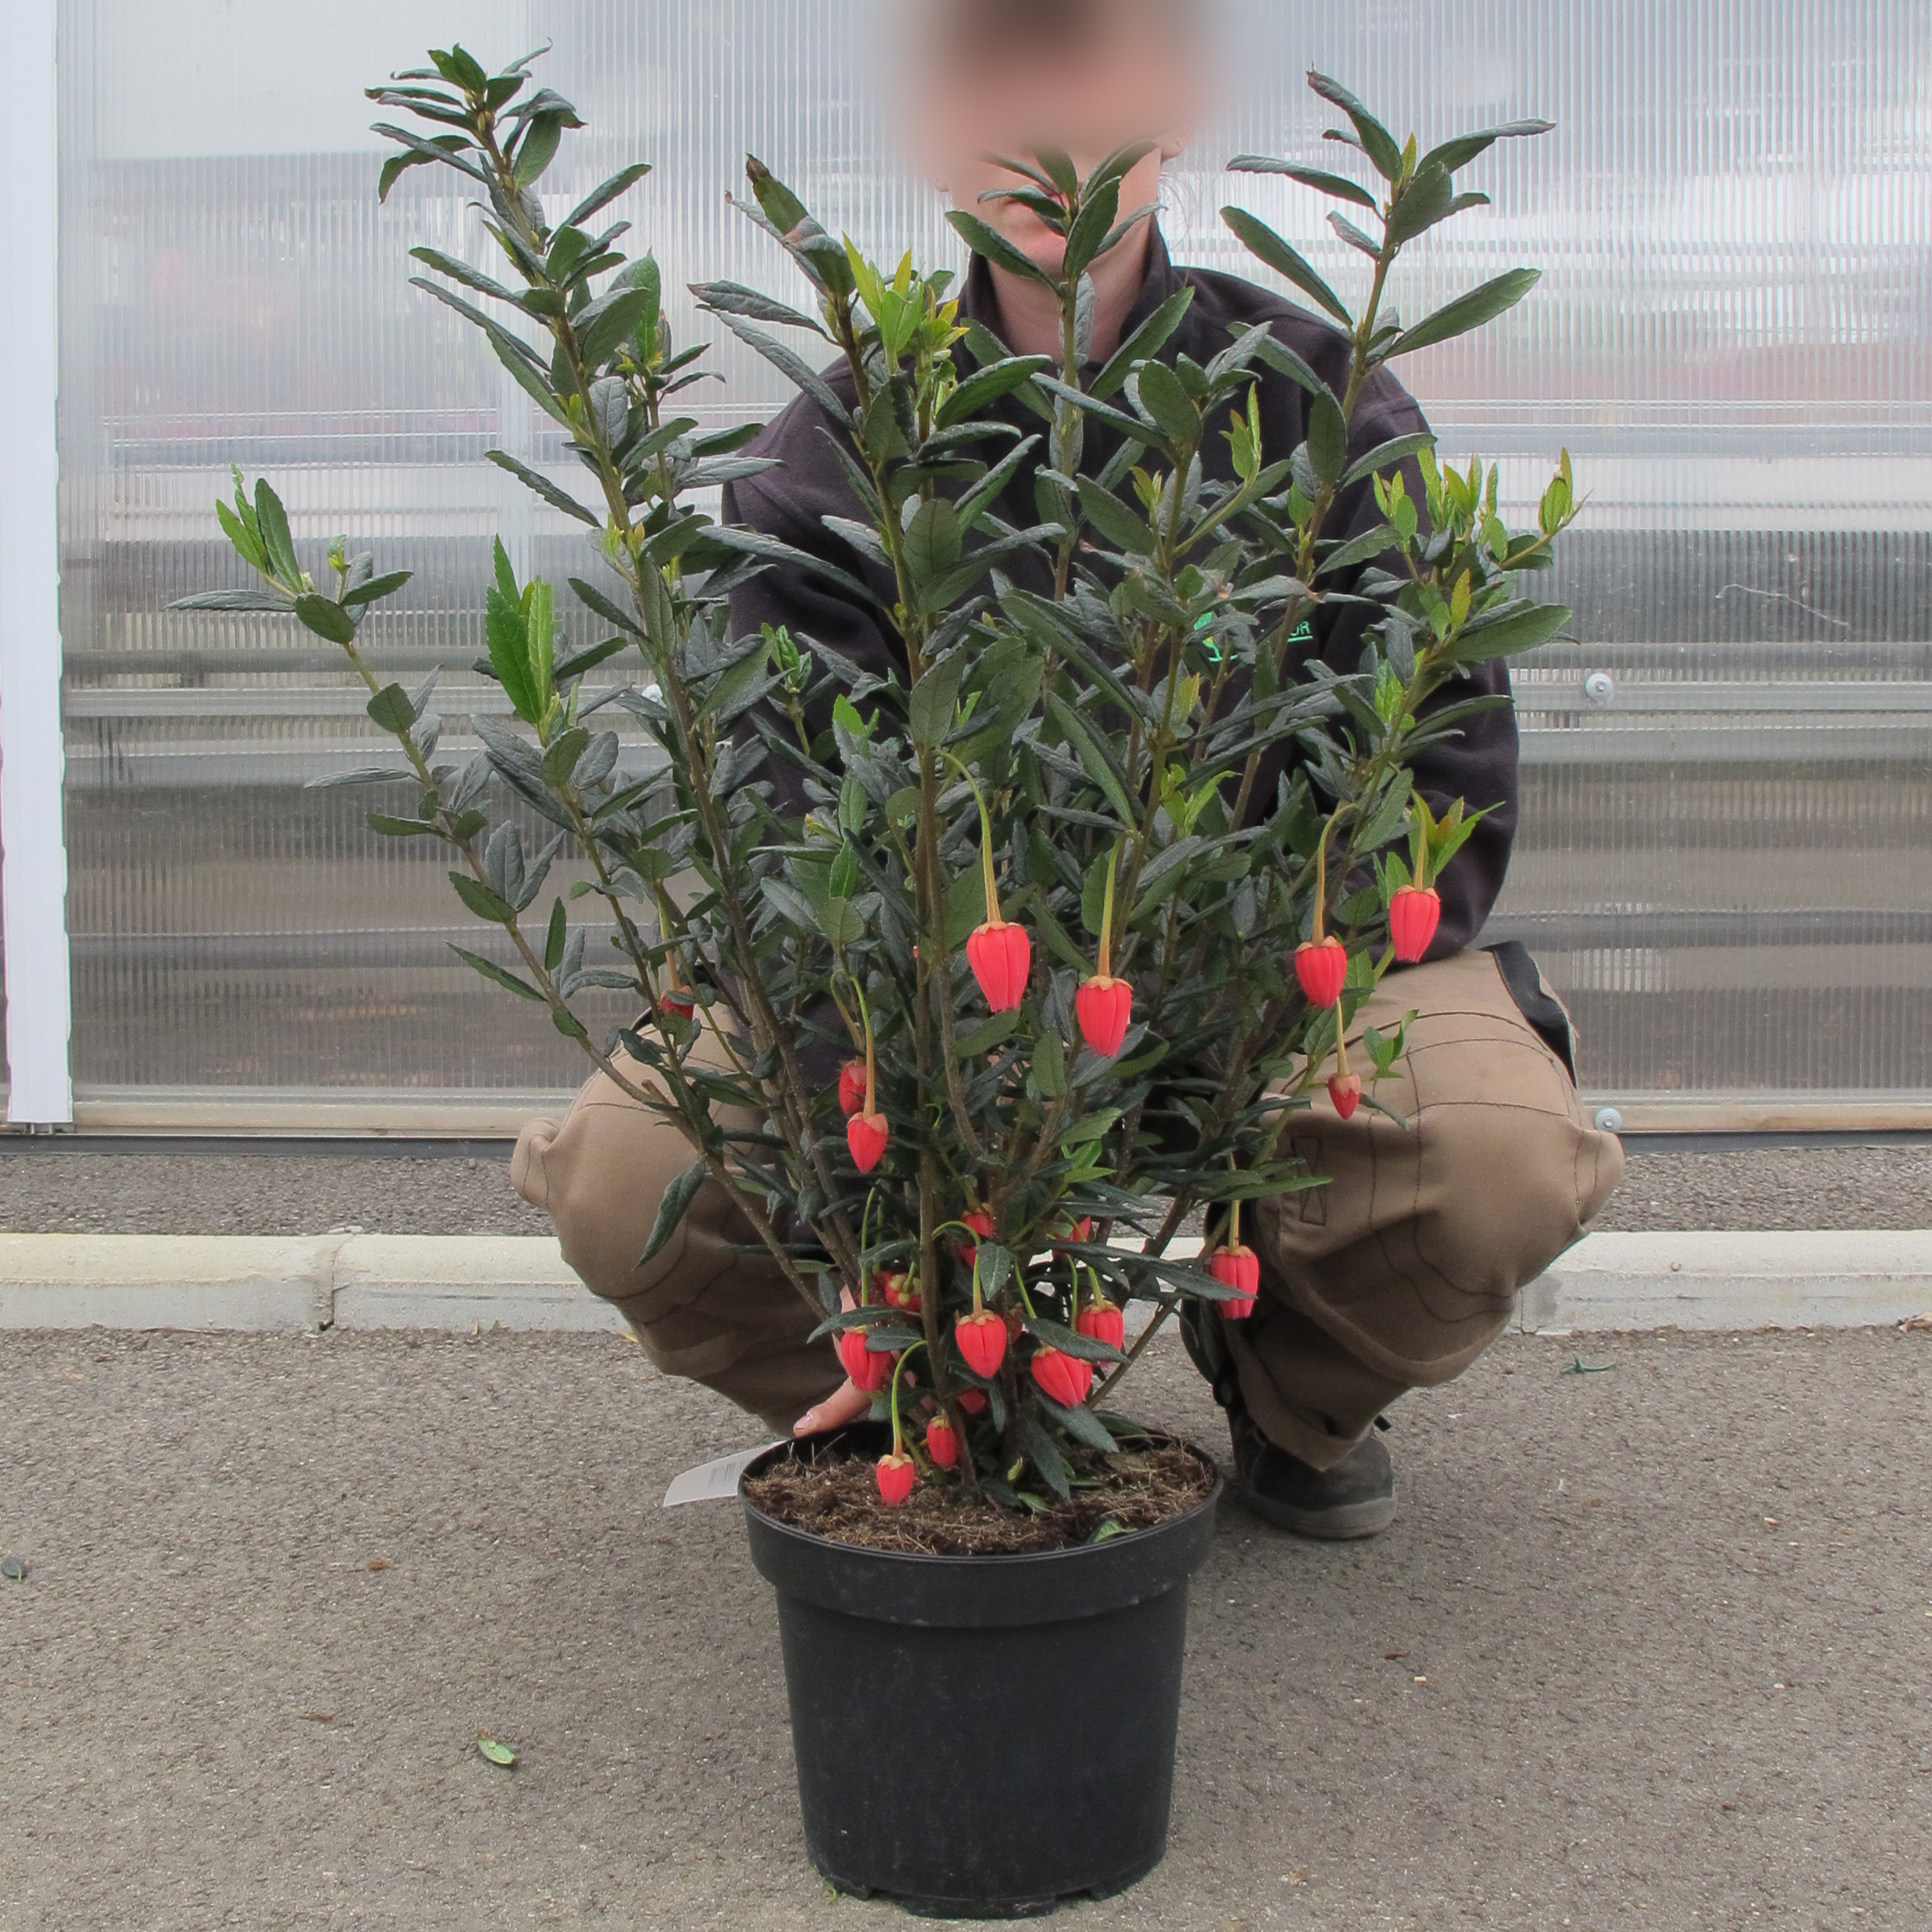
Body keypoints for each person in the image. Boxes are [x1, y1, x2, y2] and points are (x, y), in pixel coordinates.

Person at [512, 0, 1624, 1539]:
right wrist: (893, 1200)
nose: (1044, 125)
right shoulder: (828, 455)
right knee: (625, 1173)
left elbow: (1444, 754)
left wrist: (1261, 984)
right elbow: (785, 834)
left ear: (1173, 112)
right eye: (990, 71)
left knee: (1494, 1157)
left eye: (1087, 68)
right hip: (935, 999)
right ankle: (915, 1397)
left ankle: (1294, 1382)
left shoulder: (1321, 393)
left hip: (1272, 976)